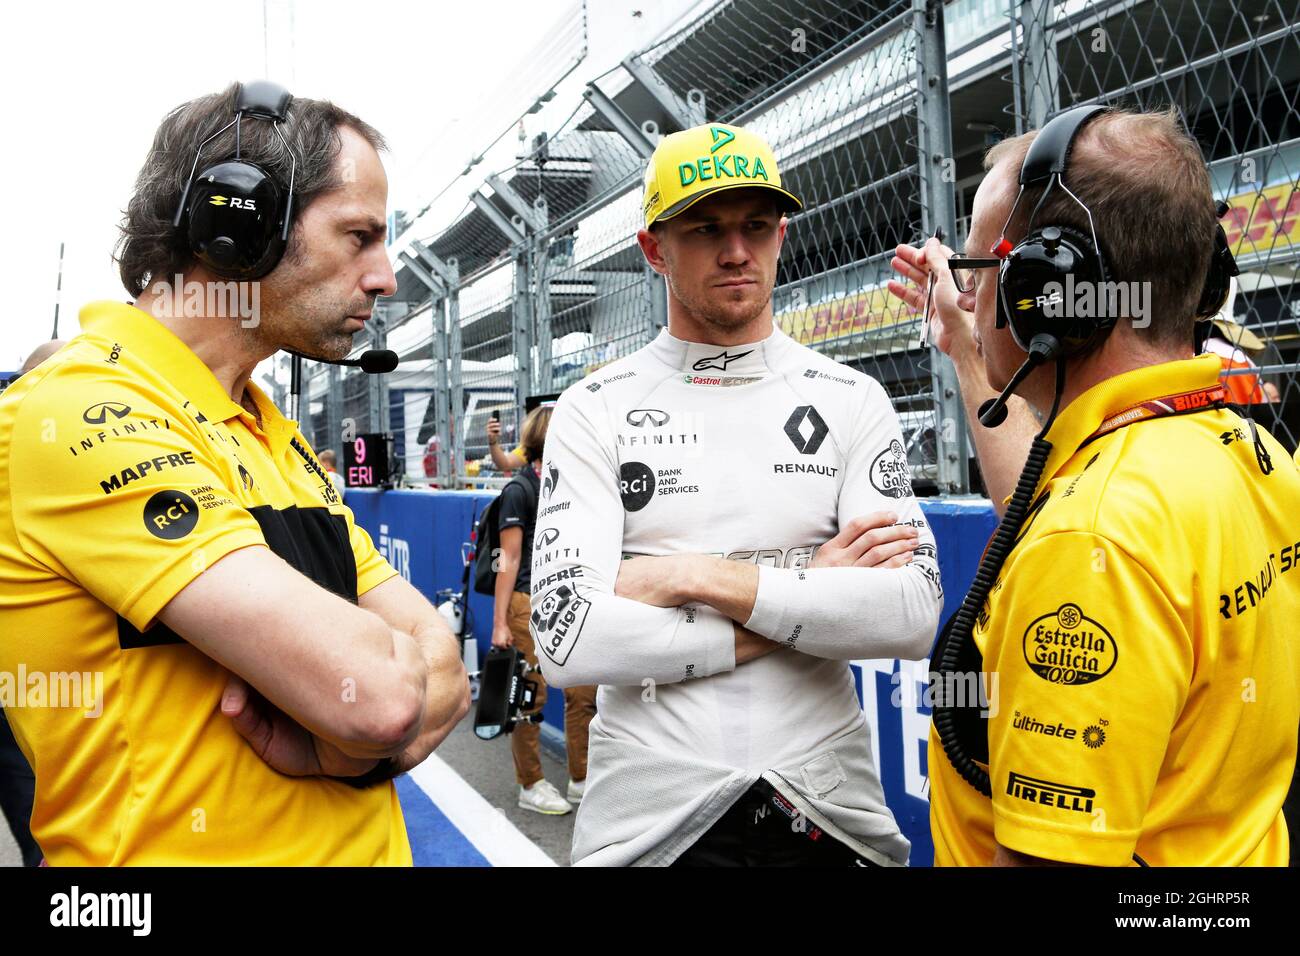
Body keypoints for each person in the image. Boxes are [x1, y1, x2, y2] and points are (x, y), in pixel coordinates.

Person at [0, 82, 469, 865]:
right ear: (235, 227)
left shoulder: (270, 434)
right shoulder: (78, 410)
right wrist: (366, 723)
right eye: (359, 236)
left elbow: (439, 660)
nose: (385, 277)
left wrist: (343, 749)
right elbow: (384, 697)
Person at [889, 105, 1300, 866]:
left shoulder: (1097, 536)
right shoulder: (1241, 449)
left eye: (985, 274)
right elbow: (1040, 515)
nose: (971, 299)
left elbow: (1083, 544)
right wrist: (965, 345)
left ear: (1052, 287)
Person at [531, 122, 944, 866]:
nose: (736, 251)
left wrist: (691, 577)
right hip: (652, 820)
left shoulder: (851, 398)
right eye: (706, 229)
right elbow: (567, 641)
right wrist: (807, 590)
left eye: (757, 226)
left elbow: (911, 614)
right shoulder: (595, 407)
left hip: (829, 806)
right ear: (653, 249)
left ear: (781, 234)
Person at [491, 406, 597, 813]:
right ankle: (530, 784)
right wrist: (500, 621)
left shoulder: (574, 484)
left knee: (584, 694)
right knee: (530, 698)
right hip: (527, 603)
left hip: (572, 598)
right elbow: (508, 558)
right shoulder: (519, 489)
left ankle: (581, 778)